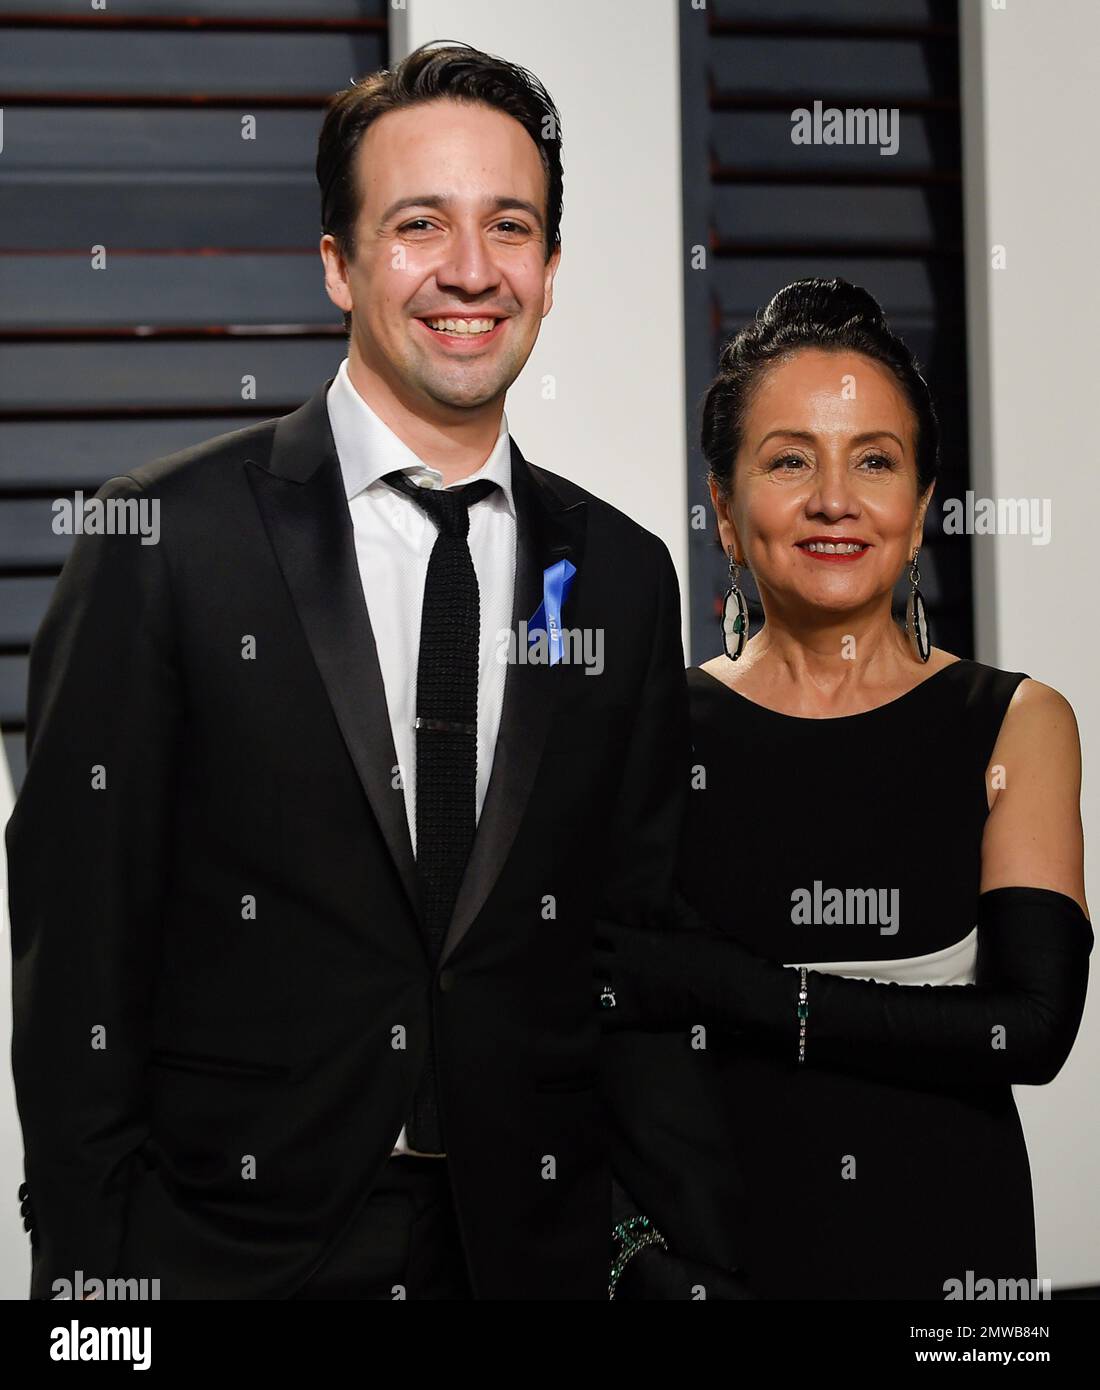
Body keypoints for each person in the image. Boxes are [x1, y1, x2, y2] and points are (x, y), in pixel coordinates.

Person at [7, 42, 689, 1301]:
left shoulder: (626, 578)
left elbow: (632, 956)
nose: (471, 270)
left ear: (548, 270)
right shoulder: (163, 542)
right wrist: (86, 1303)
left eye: (511, 227)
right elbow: (77, 969)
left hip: (524, 1259)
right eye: (419, 224)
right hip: (229, 1257)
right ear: (337, 261)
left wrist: (662, 1254)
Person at [597, 278, 1092, 1300]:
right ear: (725, 514)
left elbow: (1031, 1028)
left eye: (873, 460)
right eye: (789, 460)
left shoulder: (1013, 721)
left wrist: (733, 990)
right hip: (719, 1267)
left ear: (915, 513)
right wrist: (630, 1257)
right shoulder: (642, 732)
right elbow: (572, 1024)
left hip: (957, 1275)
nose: (835, 499)